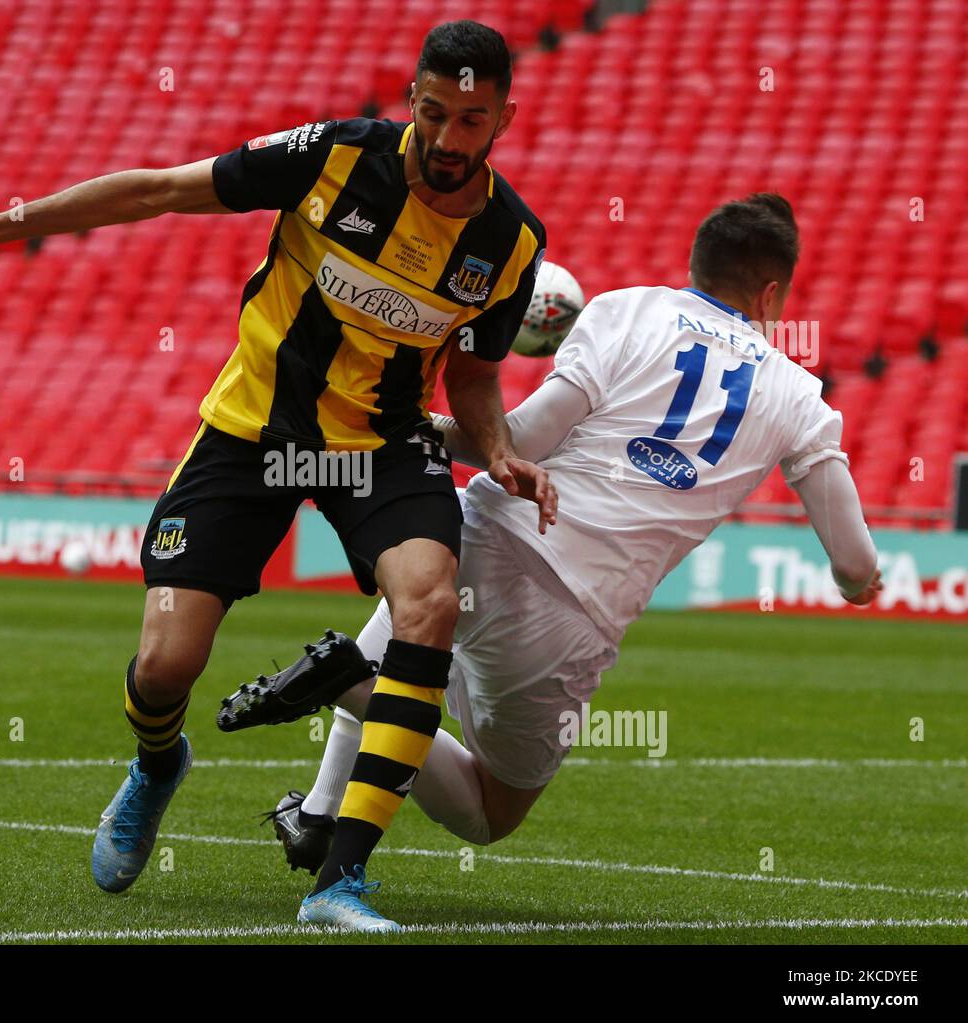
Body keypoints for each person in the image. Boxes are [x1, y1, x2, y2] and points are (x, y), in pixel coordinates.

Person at [0, 20, 556, 930]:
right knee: (164, 665)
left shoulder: (510, 243)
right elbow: (157, 190)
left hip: (381, 446)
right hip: (252, 429)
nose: (448, 138)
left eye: (472, 120)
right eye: (433, 113)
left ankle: (338, 883)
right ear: (412, 104)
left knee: (428, 603)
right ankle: (157, 764)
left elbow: (469, 374)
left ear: (505, 114)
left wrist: (498, 446)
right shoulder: (334, 156)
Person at [232, 193, 883, 929]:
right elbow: (854, 559)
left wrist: (418, 426)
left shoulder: (626, 309)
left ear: (697, 263)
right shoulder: (799, 397)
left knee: (403, 663)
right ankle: (345, 693)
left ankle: (326, 791)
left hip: (481, 531)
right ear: (771, 293)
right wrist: (857, 584)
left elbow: (522, 445)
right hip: (574, 607)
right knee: (490, 810)